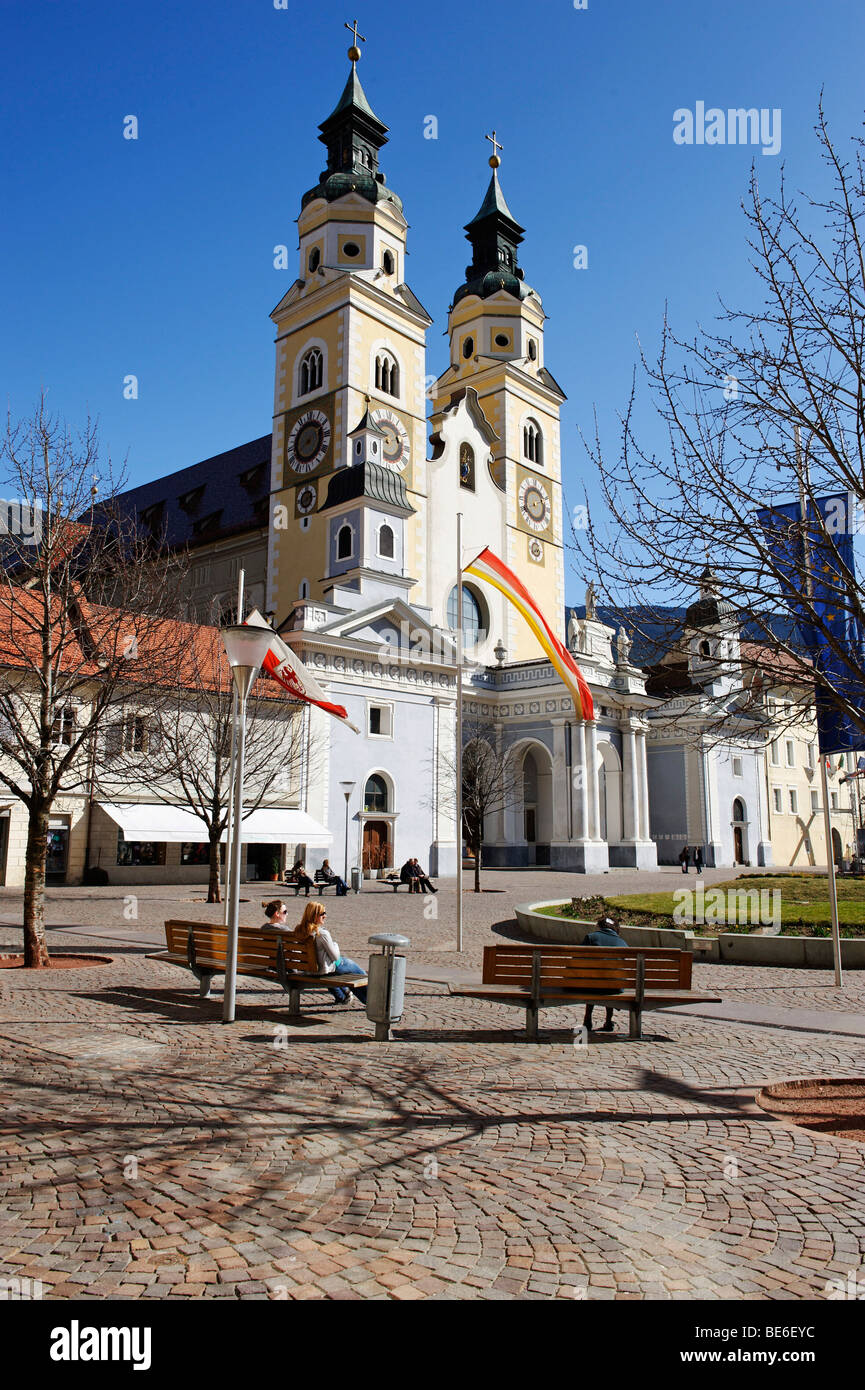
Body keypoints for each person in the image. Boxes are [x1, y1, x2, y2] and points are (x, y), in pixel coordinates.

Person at [292, 901, 367, 1005]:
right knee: (360, 973)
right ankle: (370, 1001)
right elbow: (335, 957)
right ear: (315, 916)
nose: (325, 916)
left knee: (349, 971)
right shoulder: (322, 934)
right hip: (325, 969)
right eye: (323, 914)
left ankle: (344, 996)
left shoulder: (299, 931)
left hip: (309, 970)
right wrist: (335, 945)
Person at [582, 915, 629, 1033]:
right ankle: (609, 1020)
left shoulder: (591, 938)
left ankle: (587, 1018)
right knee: (610, 978)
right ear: (616, 929)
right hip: (614, 988)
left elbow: (576, 960)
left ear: (599, 926)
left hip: (591, 987)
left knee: (592, 978)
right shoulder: (623, 943)